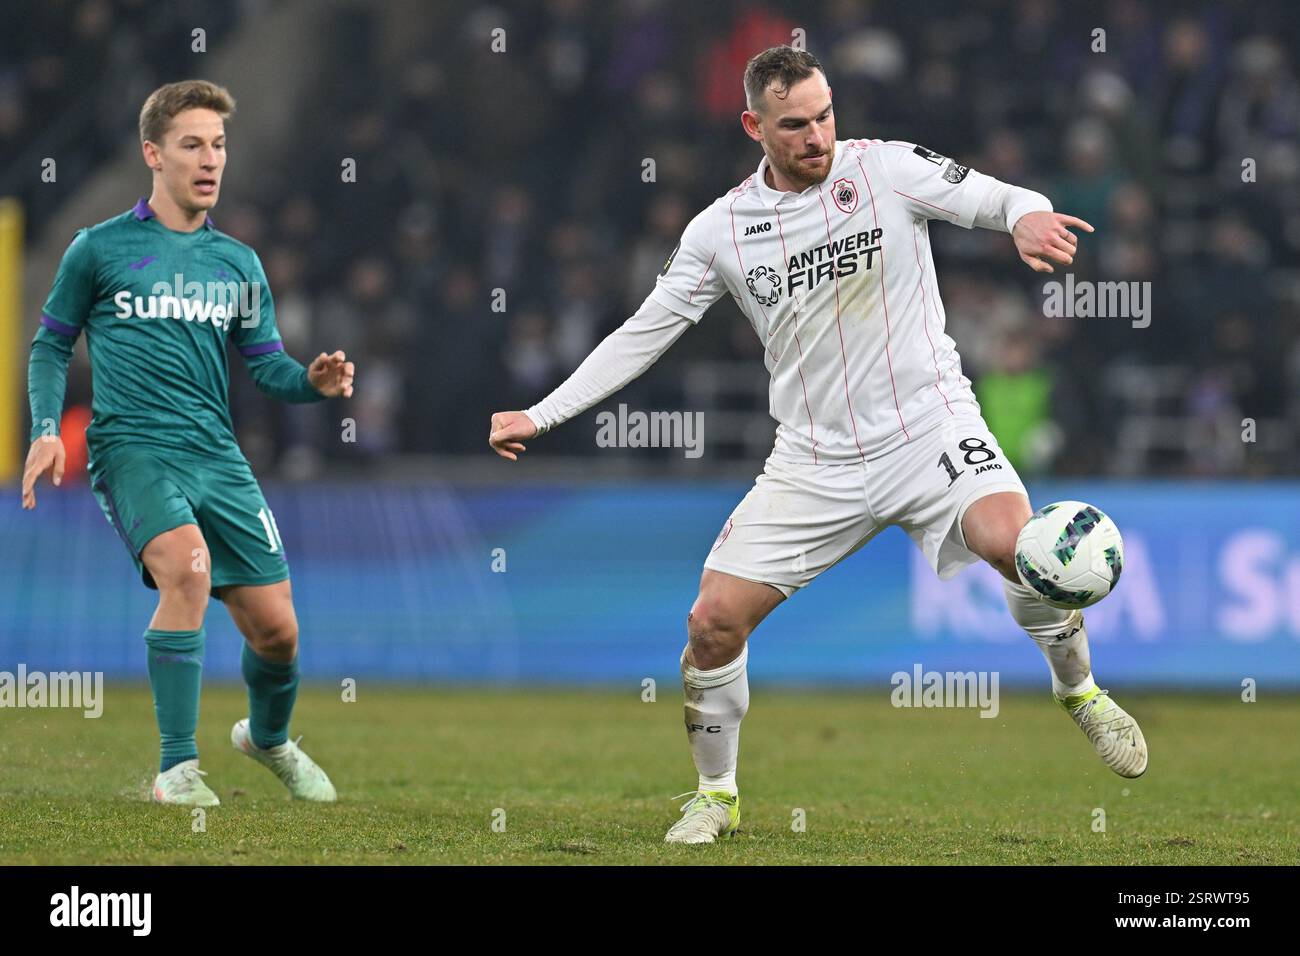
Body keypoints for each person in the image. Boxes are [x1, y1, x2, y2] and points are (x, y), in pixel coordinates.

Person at [489, 47, 1146, 844]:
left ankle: (1079, 691)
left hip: (929, 430)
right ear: (753, 126)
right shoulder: (720, 231)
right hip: (813, 461)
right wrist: (545, 413)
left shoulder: (888, 170)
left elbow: (997, 196)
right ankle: (716, 794)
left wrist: (1027, 216)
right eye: (794, 125)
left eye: (825, 115)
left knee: (1019, 544)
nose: (816, 136)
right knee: (711, 625)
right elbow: (643, 334)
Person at [22, 80, 354, 807]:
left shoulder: (239, 264)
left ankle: (267, 740)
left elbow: (266, 367)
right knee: (188, 574)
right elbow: (49, 346)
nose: (211, 160)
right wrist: (47, 429)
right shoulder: (99, 249)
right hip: (131, 448)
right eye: (193, 145)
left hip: (216, 456)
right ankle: (177, 769)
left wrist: (312, 382)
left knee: (278, 634)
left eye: (220, 146)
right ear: (153, 154)